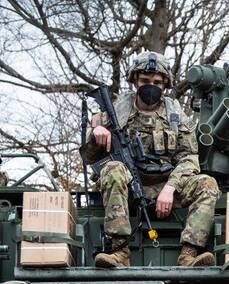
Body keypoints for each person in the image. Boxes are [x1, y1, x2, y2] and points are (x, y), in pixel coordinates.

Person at [81, 51, 220, 268]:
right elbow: (89, 158)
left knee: (207, 184)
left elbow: (189, 159)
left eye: (157, 82)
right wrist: (96, 132)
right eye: (145, 81)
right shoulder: (117, 112)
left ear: (165, 84)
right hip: (126, 189)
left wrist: (170, 188)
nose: (151, 86)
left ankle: (188, 256)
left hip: (168, 189)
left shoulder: (176, 116)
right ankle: (120, 253)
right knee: (112, 169)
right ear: (135, 81)